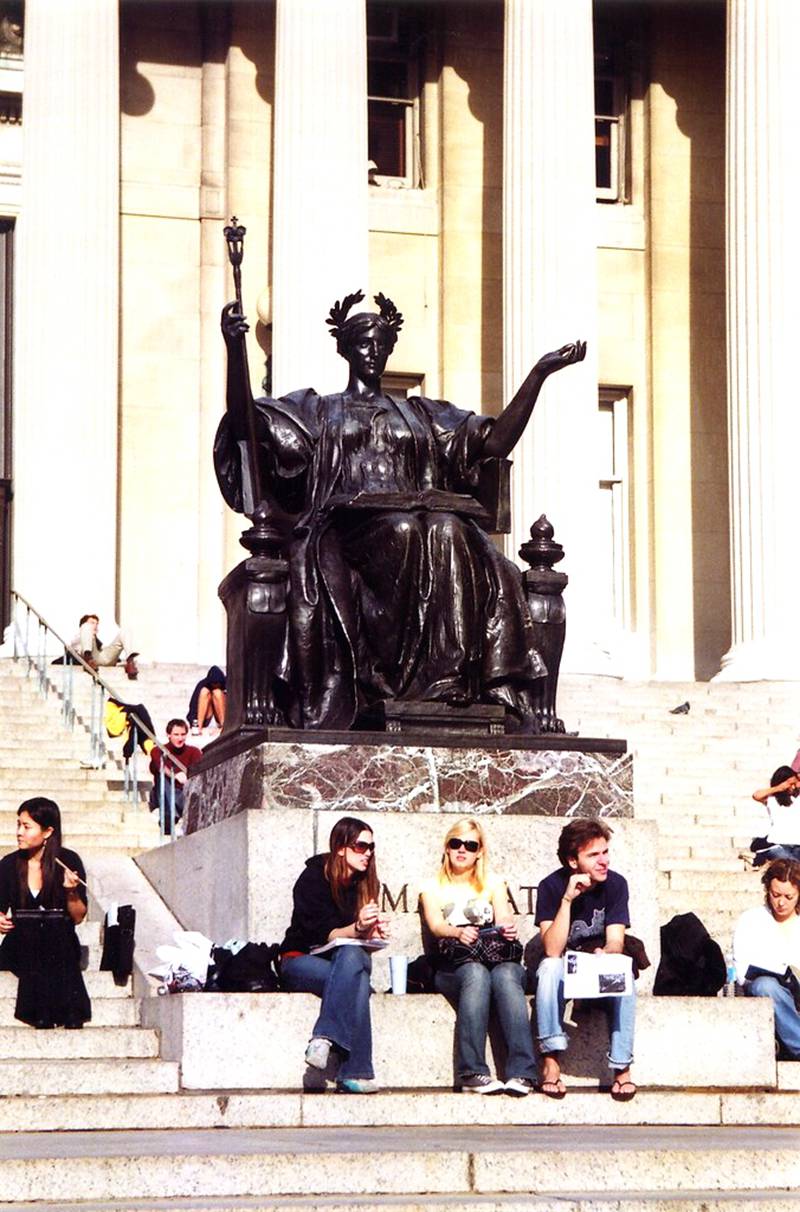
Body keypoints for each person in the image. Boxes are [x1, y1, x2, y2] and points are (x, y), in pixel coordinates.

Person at [216, 289, 585, 733]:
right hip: (344, 529)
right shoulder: (318, 408)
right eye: (363, 344)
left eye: (381, 345)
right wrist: (235, 350)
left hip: (416, 522)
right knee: (405, 530)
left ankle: (447, 680)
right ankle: (385, 680)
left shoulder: (419, 413)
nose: (373, 353)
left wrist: (538, 375)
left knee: (449, 530)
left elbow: (494, 442)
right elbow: (247, 424)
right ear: (345, 350)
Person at [420, 817, 538, 1095]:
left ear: (479, 852)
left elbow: (504, 915)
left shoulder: (494, 883)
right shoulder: (432, 887)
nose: (462, 849)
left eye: (470, 845)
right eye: (456, 843)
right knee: (476, 974)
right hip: (454, 965)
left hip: (497, 959)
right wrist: (457, 932)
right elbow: (436, 926)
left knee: (506, 976)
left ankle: (523, 1073)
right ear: (447, 848)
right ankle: (472, 1072)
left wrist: (507, 927)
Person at [280, 816, 386, 1093]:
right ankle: (354, 1072)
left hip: (341, 965)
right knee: (357, 980)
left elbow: (352, 942)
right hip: (299, 960)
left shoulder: (365, 883)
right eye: (361, 846)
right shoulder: (314, 877)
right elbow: (323, 933)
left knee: (354, 964)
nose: (367, 853)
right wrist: (358, 928)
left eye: (371, 847)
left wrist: (371, 932)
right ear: (341, 847)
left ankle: (323, 1040)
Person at [534, 818, 636, 1100]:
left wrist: (608, 953)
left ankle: (622, 1066)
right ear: (572, 861)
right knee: (549, 968)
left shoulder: (616, 884)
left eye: (605, 852)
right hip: (566, 969)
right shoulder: (551, 886)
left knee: (625, 973)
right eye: (593, 855)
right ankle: (551, 1061)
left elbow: (616, 940)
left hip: (597, 965)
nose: (604, 861)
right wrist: (567, 900)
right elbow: (552, 949)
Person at [0, 798, 91, 1028]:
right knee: (35, 937)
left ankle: (46, 1013)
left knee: (55, 933)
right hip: (21, 943)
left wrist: (71, 892)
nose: (19, 833)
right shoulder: (8, 865)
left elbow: (78, 917)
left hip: (59, 943)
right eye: (18, 825)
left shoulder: (68, 861)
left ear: (48, 832)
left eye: (27, 827)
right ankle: (61, 1012)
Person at [733, 857, 800, 1058]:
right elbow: (741, 970)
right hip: (768, 988)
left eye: (789, 897)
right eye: (775, 895)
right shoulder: (751, 920)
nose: (781, 902)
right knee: (766, 986)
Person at [148, 719, 203, 827]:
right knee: (161, 777)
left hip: (182, 794)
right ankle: (169, 816)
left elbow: (199, 772)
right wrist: (175, 776)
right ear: (168, 735)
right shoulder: (157, 751)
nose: (180, 738)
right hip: (162, 793)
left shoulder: (194, 752)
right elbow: (161, 767)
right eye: (176, 735)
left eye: (183, 734)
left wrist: (187, 777)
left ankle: (170, 815)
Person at [750, 767, 800, 866]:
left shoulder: (797, 798)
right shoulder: (772, 799)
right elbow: (756, 795)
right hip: (778, 845)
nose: (793, 787)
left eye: (794, 784)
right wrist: (779, 788)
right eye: (790, 784)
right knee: (791, 864)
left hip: (798, 845)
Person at [71, 613, 138, 679]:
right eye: (92, 623)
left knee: (125, 630)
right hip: (89, 658)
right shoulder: (78, 637)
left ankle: (130, 661)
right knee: (87, 629)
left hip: (100, 658)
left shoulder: (98, 641)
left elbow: (103, 652)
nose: (95, 626)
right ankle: (88, 658)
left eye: (96, 624)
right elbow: (75, 649)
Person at [188, 666, 227, 735]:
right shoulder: (202, 684)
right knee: (204, 691)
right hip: (206, 714)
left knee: (217, 692)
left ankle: (224, 726)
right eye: (213, 685)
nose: (215, 686)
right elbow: (193, 705)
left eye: (217, 684)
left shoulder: (228, 684)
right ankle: (199, 727)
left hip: (225, 715)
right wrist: (193, 722)